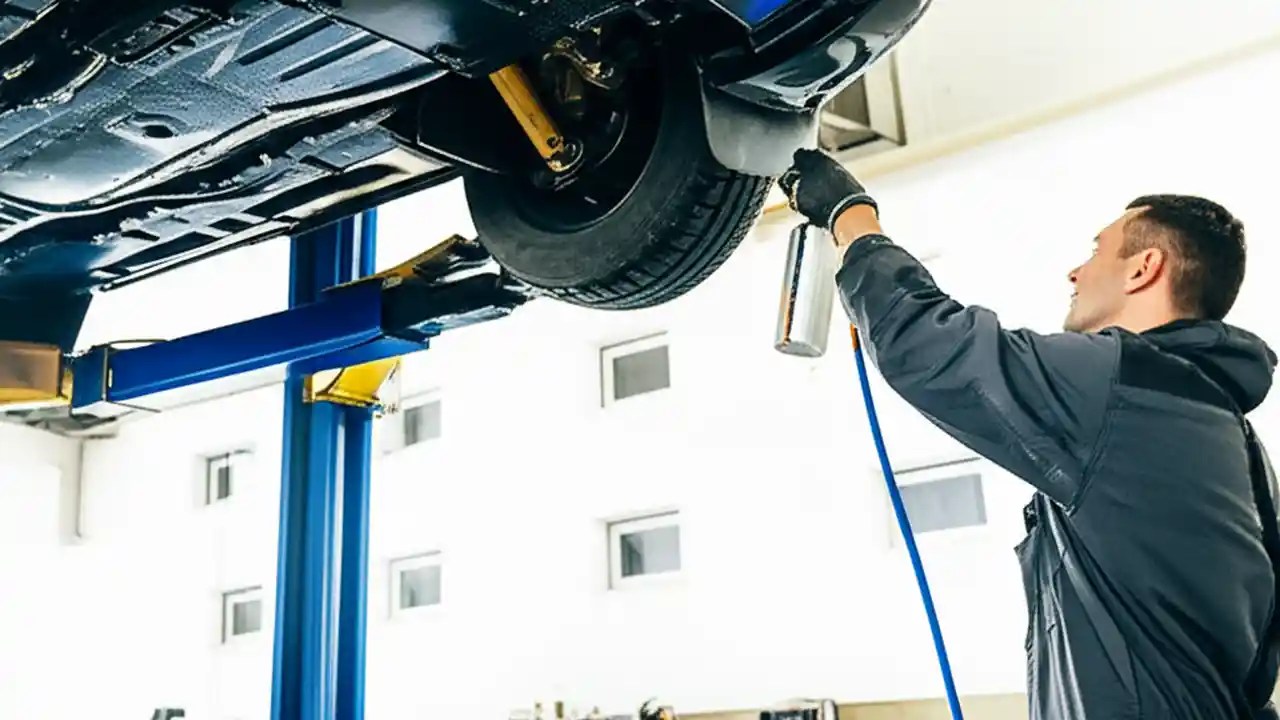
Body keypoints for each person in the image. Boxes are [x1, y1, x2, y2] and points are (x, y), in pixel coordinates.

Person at [777, 148, 1280, 719]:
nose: (1076, 272)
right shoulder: (1231, 437)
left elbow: (928, 343)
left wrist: (850, 214)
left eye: (1097, 252)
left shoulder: (1124, 389)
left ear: (1144, 268)